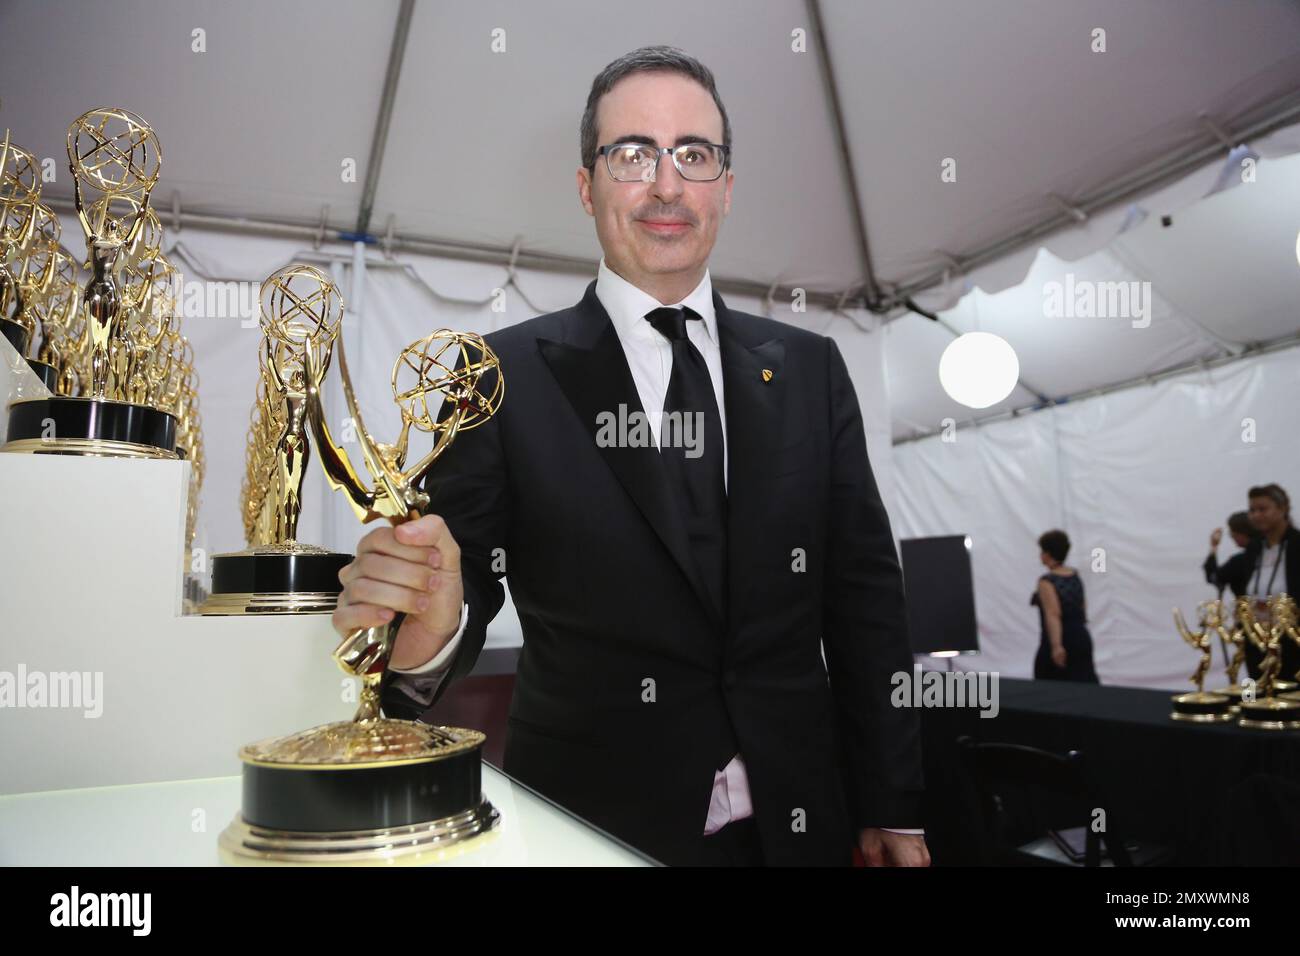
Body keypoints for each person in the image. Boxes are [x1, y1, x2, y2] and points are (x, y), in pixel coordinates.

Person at [330, 46, 927, 867]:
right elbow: (459, 580)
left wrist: (893, 801)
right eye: (633, 154)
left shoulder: (811, 369)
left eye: (695, 154)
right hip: (594, 827)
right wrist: (432, 623)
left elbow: (864, 601)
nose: (668, 183)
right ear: (587, 187)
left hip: (802, 825)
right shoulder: (494, 377)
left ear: (725, 185)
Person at [1238, 484, 1300, 680]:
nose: (1256, 515)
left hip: (1290, 640)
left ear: (1282, 509)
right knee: (1254, 695)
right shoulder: (1254, 547)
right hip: (1255, 639)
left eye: (1262, 509)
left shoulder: (1297, 544)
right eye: (1252, 510)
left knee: (1287, 699)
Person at [1031, 530, 1099, 683]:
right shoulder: (1075, 575)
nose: (1040, 555)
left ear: (1048, 554)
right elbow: (1083, 608)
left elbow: (1053, 614)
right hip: (1081, 637)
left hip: (1060, 638)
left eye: (1042, 551)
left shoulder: (1046, 581)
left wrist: (1056, 646)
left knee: (1051, 688)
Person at [1203, 510, 1256, 597]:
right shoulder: (1268, 555)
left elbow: (1213, 577)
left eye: (1233, 531)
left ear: (1242, 532)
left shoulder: (1238, 562)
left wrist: (1214, 546)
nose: (1231, 535)